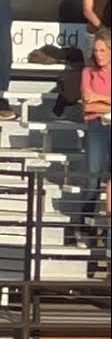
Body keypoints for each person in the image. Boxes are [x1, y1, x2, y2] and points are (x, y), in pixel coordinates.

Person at [75, 28, 111, 246]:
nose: (98, 54)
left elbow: (93, 99)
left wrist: (98, 98)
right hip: (96, 125)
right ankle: (83, 228)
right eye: (96, 50)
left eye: (103, 50)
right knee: (92, 178)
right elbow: (87, 105)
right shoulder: (87, 72)